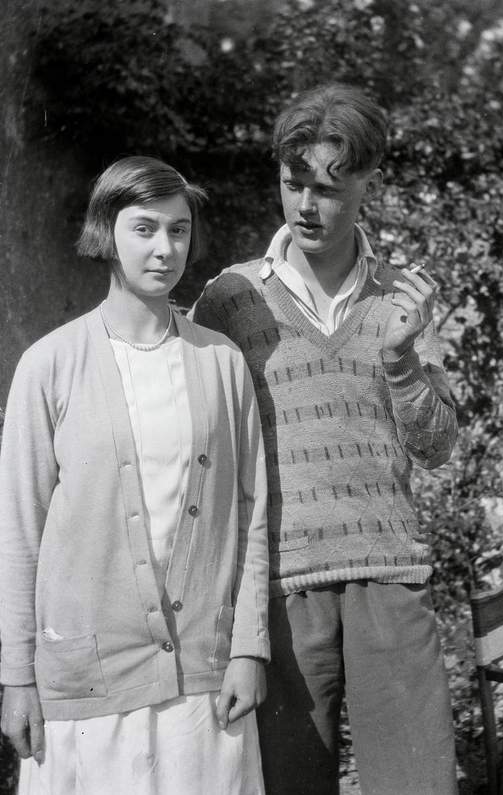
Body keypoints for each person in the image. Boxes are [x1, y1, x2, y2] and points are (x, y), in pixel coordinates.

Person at [188, 84, 459, 795]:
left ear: (367, 182)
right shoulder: (229, 299)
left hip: (389, 582)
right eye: (293, 183)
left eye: (330, 189)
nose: (307, 206)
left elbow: (435, 447)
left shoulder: (404, 298)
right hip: (279, 591)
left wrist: (401, 359)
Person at [0, 156, 270, 795]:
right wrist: (16, 676)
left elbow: (252, 514)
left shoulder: (221, 363)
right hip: (87, 684)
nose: (165, 249)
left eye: (179, 231)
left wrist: (249, 648)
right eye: (144, 229)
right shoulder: (50, 366)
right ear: (106, 234)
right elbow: (19, 532)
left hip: (204, 682)